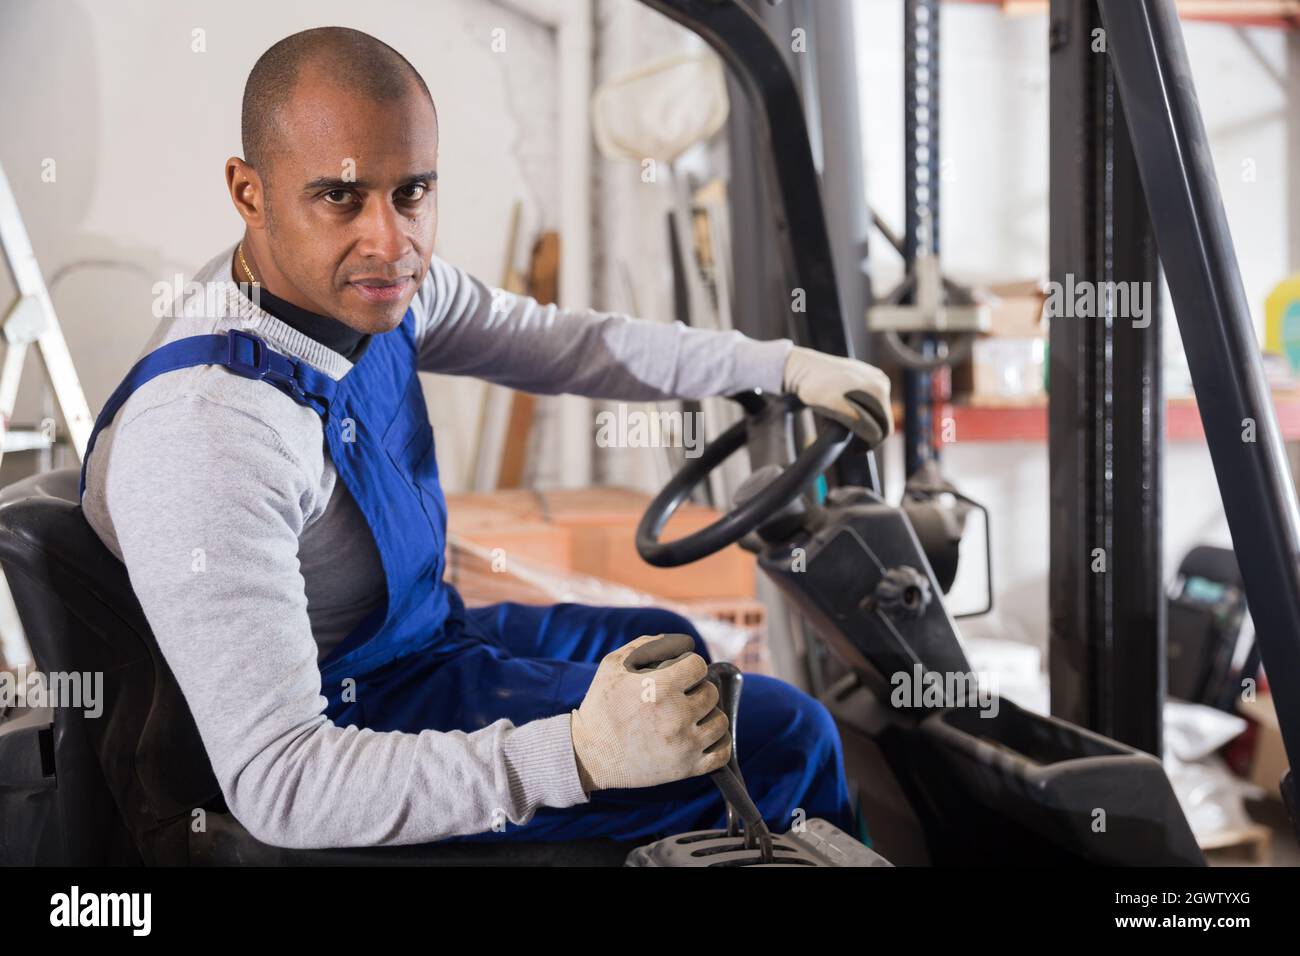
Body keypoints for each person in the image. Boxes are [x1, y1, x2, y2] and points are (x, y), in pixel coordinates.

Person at [80, 26, 892, 849]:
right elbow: (284, 783)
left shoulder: (373, 292)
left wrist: (778, 364)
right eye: (341, 198)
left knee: (684, 662)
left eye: (413, 193)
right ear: (249, 193)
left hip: (429, 645)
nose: (392, 243)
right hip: (359, 734)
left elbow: (573, 343)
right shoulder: (208, 433)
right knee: (783, 736)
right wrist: (576, 757)